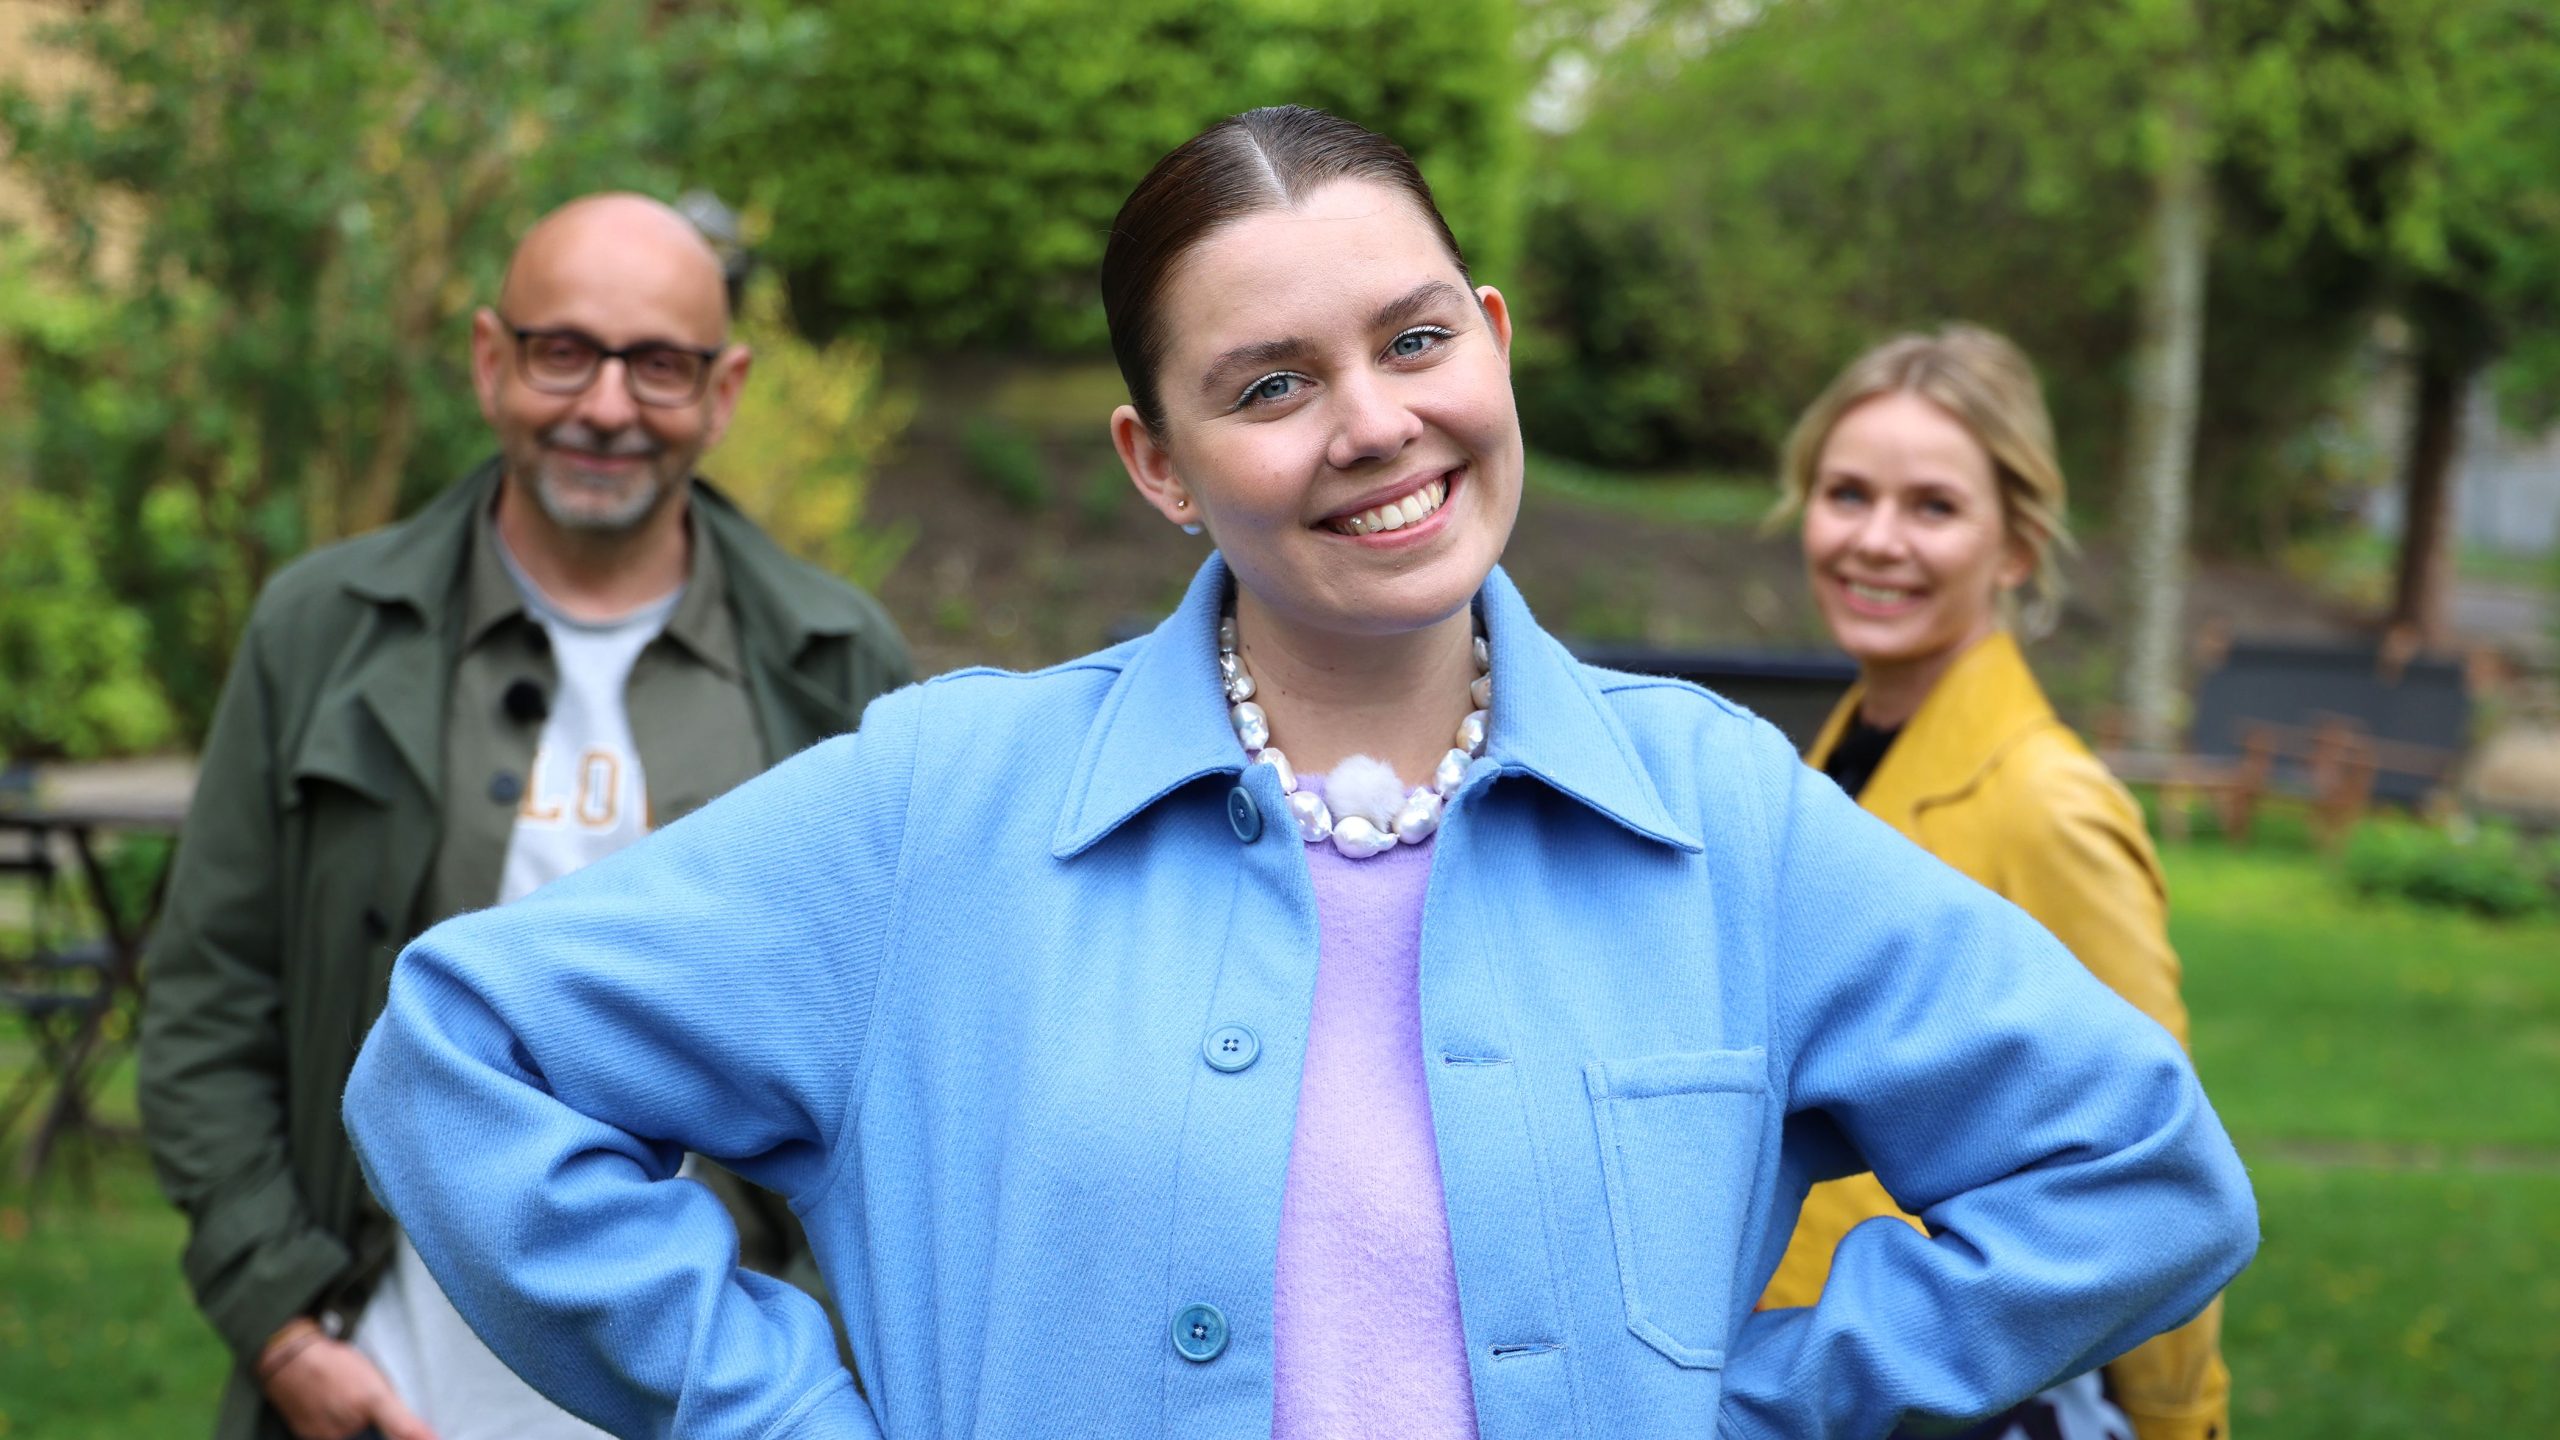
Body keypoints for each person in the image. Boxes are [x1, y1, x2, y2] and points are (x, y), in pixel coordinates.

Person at [343, 109, 2253, 1440]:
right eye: (1267, 385)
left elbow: (2134, 1171)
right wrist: (772, 1418)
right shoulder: (949, 803)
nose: (1375, 426)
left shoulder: (1719, 813)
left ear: (1490, 345)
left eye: (1415, 339)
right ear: (1157, 461)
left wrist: (1753, 1407)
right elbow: (464, 1063)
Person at [138, 193, 911, 1440]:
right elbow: (209, 999)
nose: (606, 405)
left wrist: (808, 1375)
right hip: (381, 1374)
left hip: (715, 1383)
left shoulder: (829, 660)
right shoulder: (320, 633)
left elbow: (904, 1060)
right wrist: (281, 1325)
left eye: (658, 365)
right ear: (493, 362)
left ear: (722, 392)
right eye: (565, 352)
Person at [1757, 325, 2231, 1440]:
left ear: (2015, 547)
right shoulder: (1821, 769)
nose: (1876, 540)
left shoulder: (2047, 806)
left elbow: (2156, 1171)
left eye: (1932, 506)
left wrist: (2181, 1425)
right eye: (1846, 494)